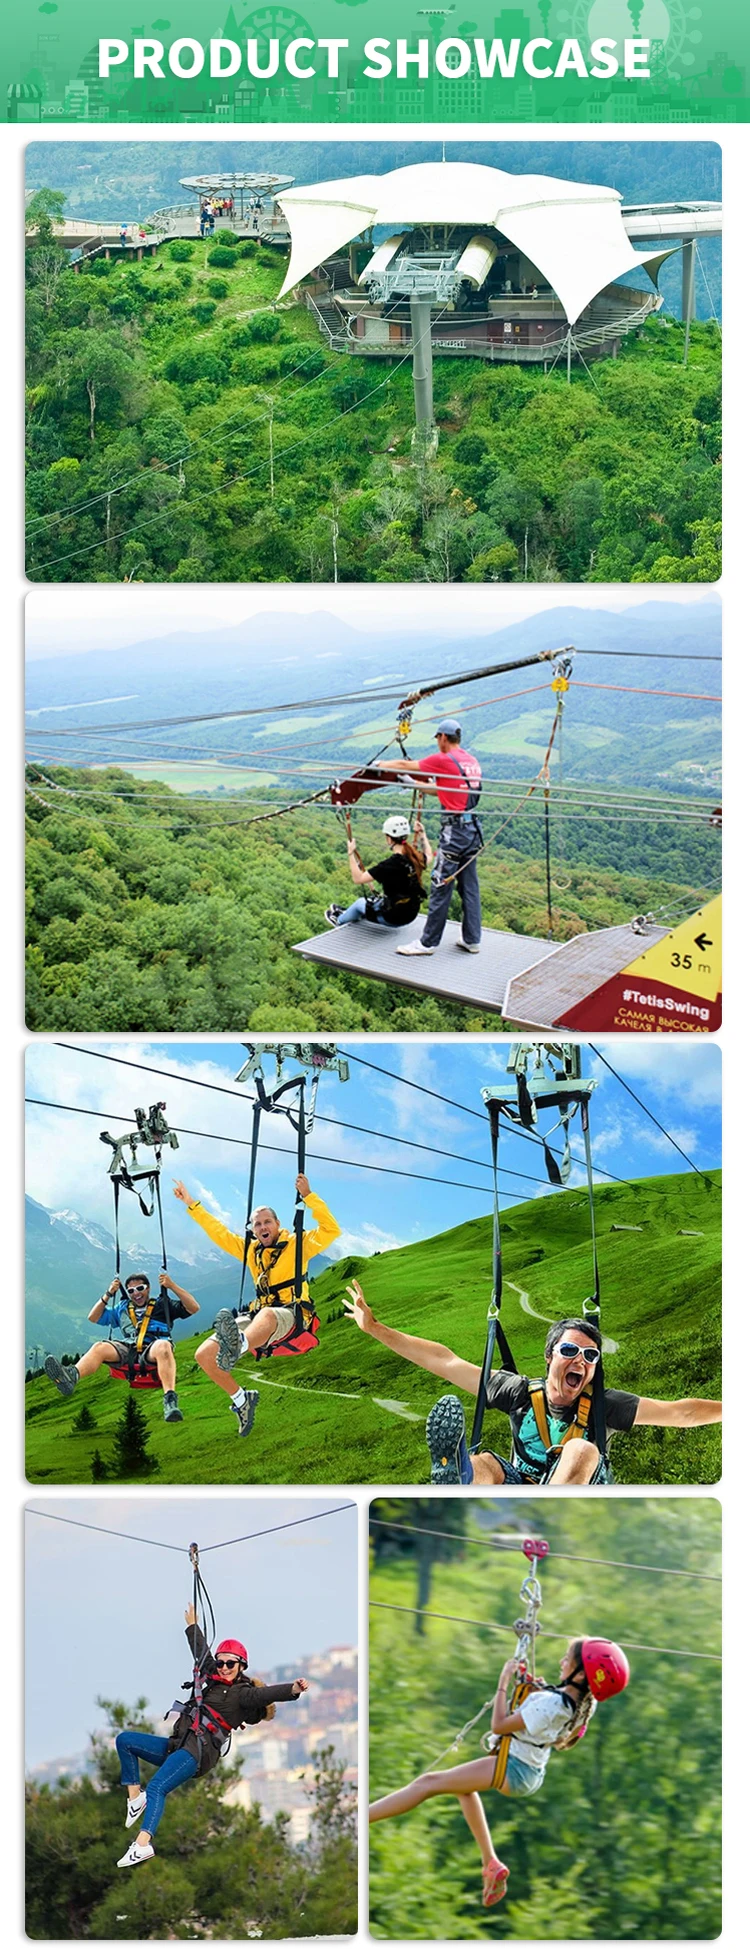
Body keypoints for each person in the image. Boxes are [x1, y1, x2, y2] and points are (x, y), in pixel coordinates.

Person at [344, 1285, 723, 1485]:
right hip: (520, 1487)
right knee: (485, 1464)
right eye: (570, 1350)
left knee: (581, 1449)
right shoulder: (519, 1392)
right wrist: (375, 1329)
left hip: (584, 1496)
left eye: (591, 1356)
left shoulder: (606, 1404)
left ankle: (549, 1512)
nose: (581, 1361)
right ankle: (457, 1479)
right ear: (549, 1356)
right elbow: (445, 1362)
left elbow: (682, 1413)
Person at [369, 1637, 629, 1907]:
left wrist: (503, 1682)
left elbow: (499, 1725)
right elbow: (546, 1719)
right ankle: (490, 1862)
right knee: (463, 1789)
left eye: (567, 1659)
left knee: (427, 1783)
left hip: (515, 1768)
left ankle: (359, 1819)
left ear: (581, 1674)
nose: (561, 1661)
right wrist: (535, 1691)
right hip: (529, 1770)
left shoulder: (552, 1704)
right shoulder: (580, 1704)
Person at [115, 1601, 309, 1868]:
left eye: (230, 1663)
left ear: (241, 1666)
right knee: (125, 1741)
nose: (224, 1667)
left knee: (158, 1787)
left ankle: (143, 1844)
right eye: (221, 1663)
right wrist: (192, 1626)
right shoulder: (212, 1675)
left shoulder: (243, 1695)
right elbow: (202, 1652)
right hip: (178, 1745)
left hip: (196, 1753)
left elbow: (268, 1694)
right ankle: (135, 1798)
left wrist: (294, 1689)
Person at [173, 1175, 340, 1437]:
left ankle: (236, 1347)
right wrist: (191, 1203)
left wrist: (309, 1196)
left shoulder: (298, 1244)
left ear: (277, 1224)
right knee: (204, 1355)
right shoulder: (251, 1250)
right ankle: (242, 1400)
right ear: (253, 1229)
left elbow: (331, 1229)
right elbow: (219, 1232)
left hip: (292, 1315)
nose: (263, 1227)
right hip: (259, 1316)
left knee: (268, 1314)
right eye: (257, 1224)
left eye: (267, 1222)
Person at [375, 718, 483, 955]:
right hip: (473, 830)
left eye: (438, 739)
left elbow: (406, 765)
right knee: (469, 887)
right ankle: (472, 939)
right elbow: (441, 790)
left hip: (454, 833)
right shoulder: (470, 761)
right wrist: (413, 784)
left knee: (440, 885)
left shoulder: (444, 759)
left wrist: (380, 764)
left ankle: (428, 943)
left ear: (443, 737)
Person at [43, 1271, 200, 1423]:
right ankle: (72, 1376)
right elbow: (93, 1317)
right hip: (129, 1347)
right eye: (131, 1291)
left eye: (140, 1288)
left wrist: (171, 1285)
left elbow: (194, 1307)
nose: (136, 1293)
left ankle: (170, 1400)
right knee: (99, 1347)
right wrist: (108, 1293)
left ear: (148, 1288)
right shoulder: (123, 1308)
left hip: (153, 1346)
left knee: (164, 1345)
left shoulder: (163, 1304)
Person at [325, 814, 433, 931]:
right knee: (374, 900)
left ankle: (339, 919)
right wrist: (422, 834)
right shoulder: (414, 857)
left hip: (393, 918)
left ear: (389, 839)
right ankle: (347, 912)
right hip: (411, 913)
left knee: (359, 903)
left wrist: (351, 853)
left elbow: (358, 879)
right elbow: (429, 855)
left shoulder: (389, 865)